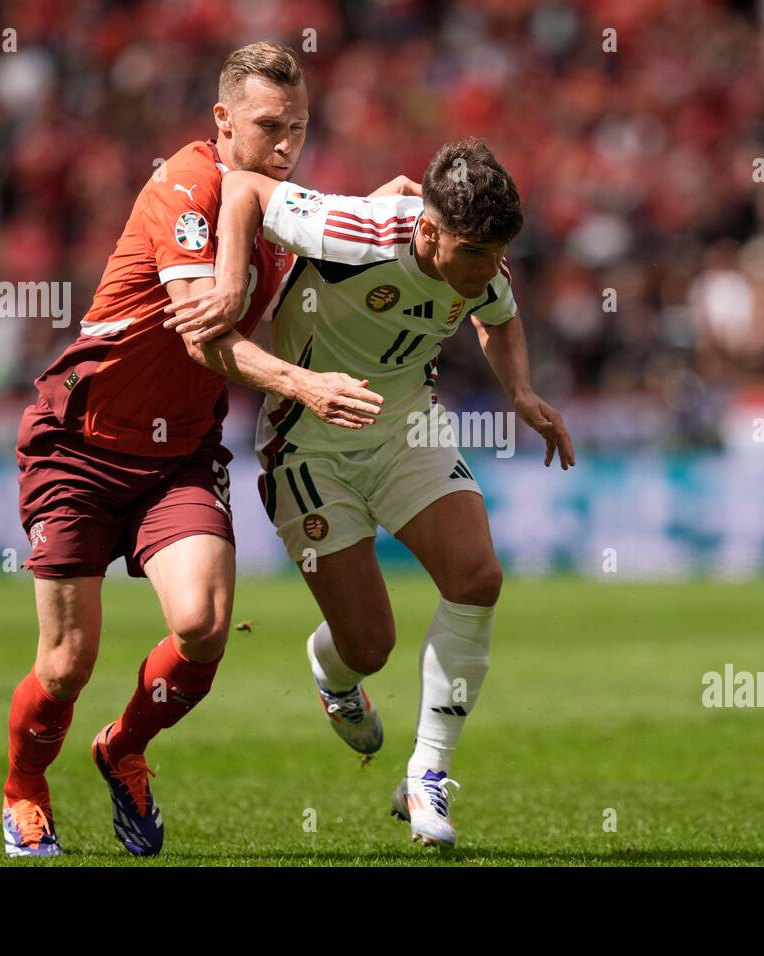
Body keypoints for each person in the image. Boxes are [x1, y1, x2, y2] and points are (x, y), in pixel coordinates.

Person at [2, 42, 396, 857]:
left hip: (176, 453)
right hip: (81, 444)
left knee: (205, 624)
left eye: (298, 128)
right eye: (267, 127)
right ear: (223, 121)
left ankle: (123, 748)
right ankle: (25, 788)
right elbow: (203, 339)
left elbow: (337, 243)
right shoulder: (185, 185)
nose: (286, 145)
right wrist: (305, 386)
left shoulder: (279, 211)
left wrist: (385, 217)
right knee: (68, 664)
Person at [179, 136, 575, 850]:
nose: (491, 271)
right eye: (477, 255)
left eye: (496, 255)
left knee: (478, 577)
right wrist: (231, 285)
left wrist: (520, 390)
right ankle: (335, 678)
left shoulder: (478, 259)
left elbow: (501, 314)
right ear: (428, 228)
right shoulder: (350, 228)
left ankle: (427, 773)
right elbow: (241, 189)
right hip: (307, 444)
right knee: (370, 645)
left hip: (406, 434)